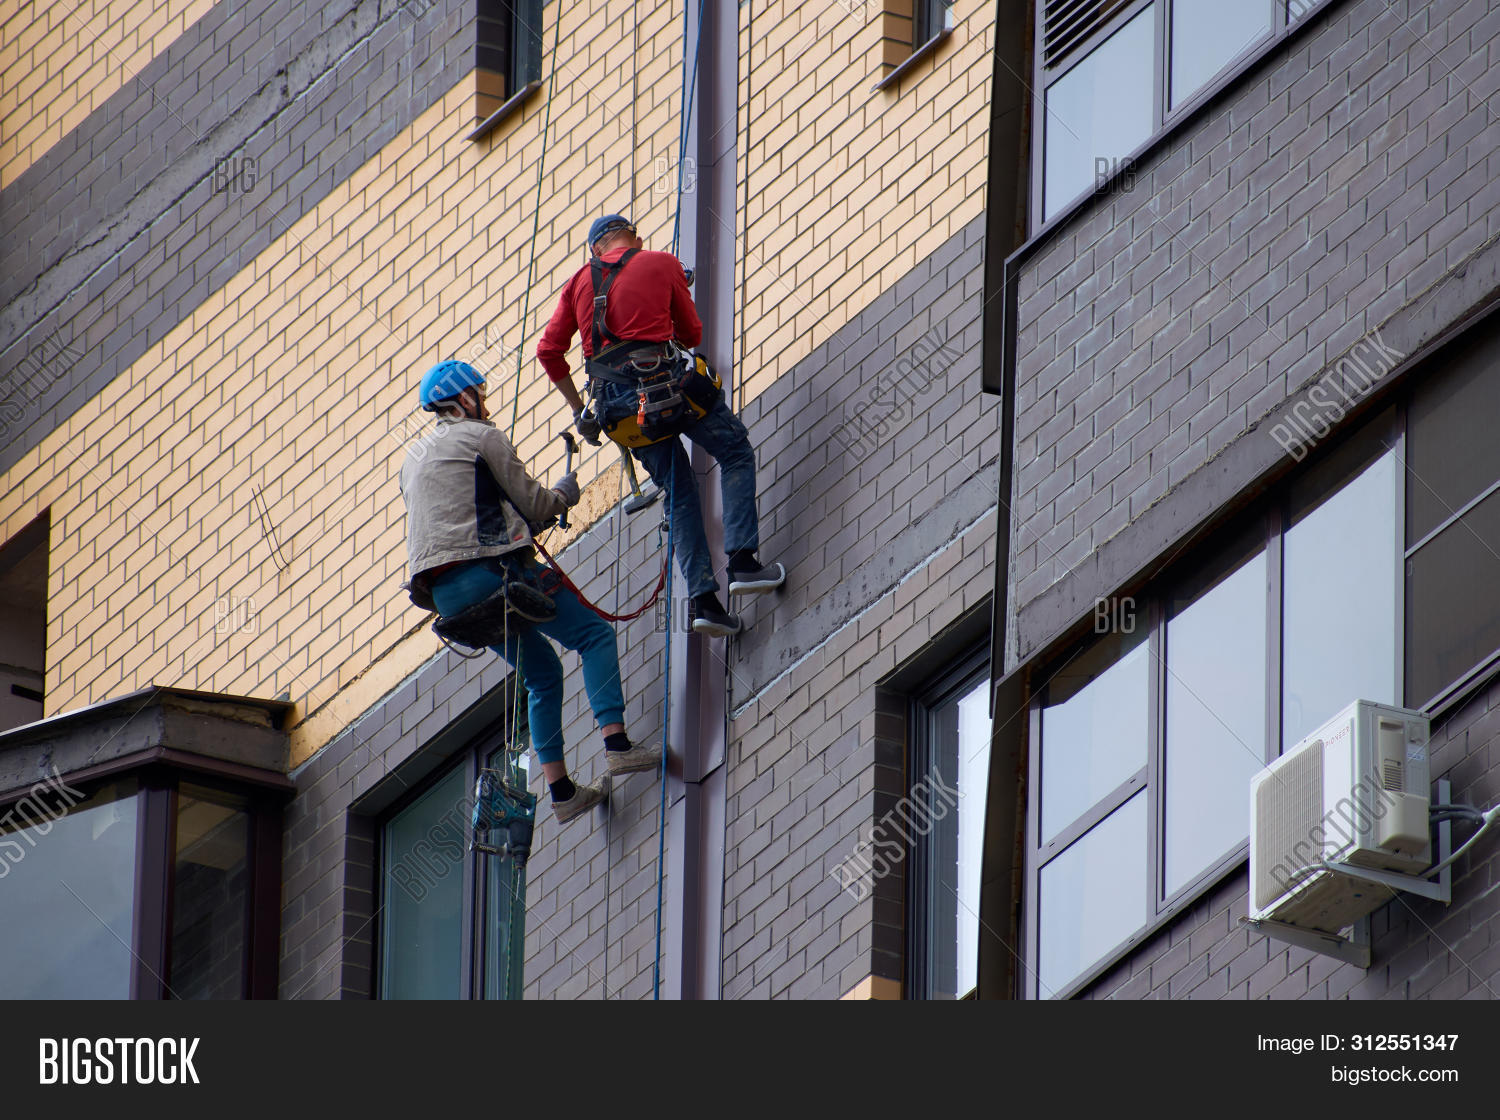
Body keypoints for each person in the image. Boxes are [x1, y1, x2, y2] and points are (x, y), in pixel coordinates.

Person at [399, 359, 659, 824]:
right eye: (479, 394)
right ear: (464, 398)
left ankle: (562, 793)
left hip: (449, 600)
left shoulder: (412, 460)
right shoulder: (482, 437)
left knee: (542, 675)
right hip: (492, 574)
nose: (484, 402)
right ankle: (617, 744)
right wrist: (564, 494)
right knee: (594, 635)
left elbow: (467, 517)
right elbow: (536, 505)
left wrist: (529, 521)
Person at [536, 213, 785, 637]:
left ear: (595, 251)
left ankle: (704, 604)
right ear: (633, 239)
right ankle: (743, 563)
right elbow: (691, 335)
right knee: (734, 450)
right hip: (668, 388)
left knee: (679, 492)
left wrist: (580, 411)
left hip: (617, 410)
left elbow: (548, 351)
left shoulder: (577, 283)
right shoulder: (660, 262)